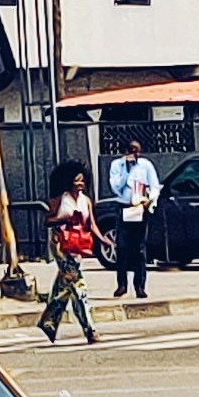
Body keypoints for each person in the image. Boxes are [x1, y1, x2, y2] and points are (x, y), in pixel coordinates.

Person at [37, 161, 100, 346]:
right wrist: (63, 218)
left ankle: (48, 322)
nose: (80, 184)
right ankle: (90, 330)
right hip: (60, 246)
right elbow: (47, 221)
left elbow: (92, 224)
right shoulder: (59, 200)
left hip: (78, 246)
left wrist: (103, 240)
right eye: (77, 181)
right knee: (78, 287)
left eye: (82, 181)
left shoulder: (85, 200)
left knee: (64, 288)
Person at [106, 138, 161, 302]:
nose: (135, 154)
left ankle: (140, 286)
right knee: (122, 247)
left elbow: (155, 186)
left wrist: (149, 201)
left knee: (139, 248)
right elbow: (116, 187)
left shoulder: (146, 165)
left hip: (141, 207)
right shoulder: (117, 166)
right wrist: (128, 172)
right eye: (131, 150)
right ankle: (122, 284)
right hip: (124, 206)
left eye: (137, 150)